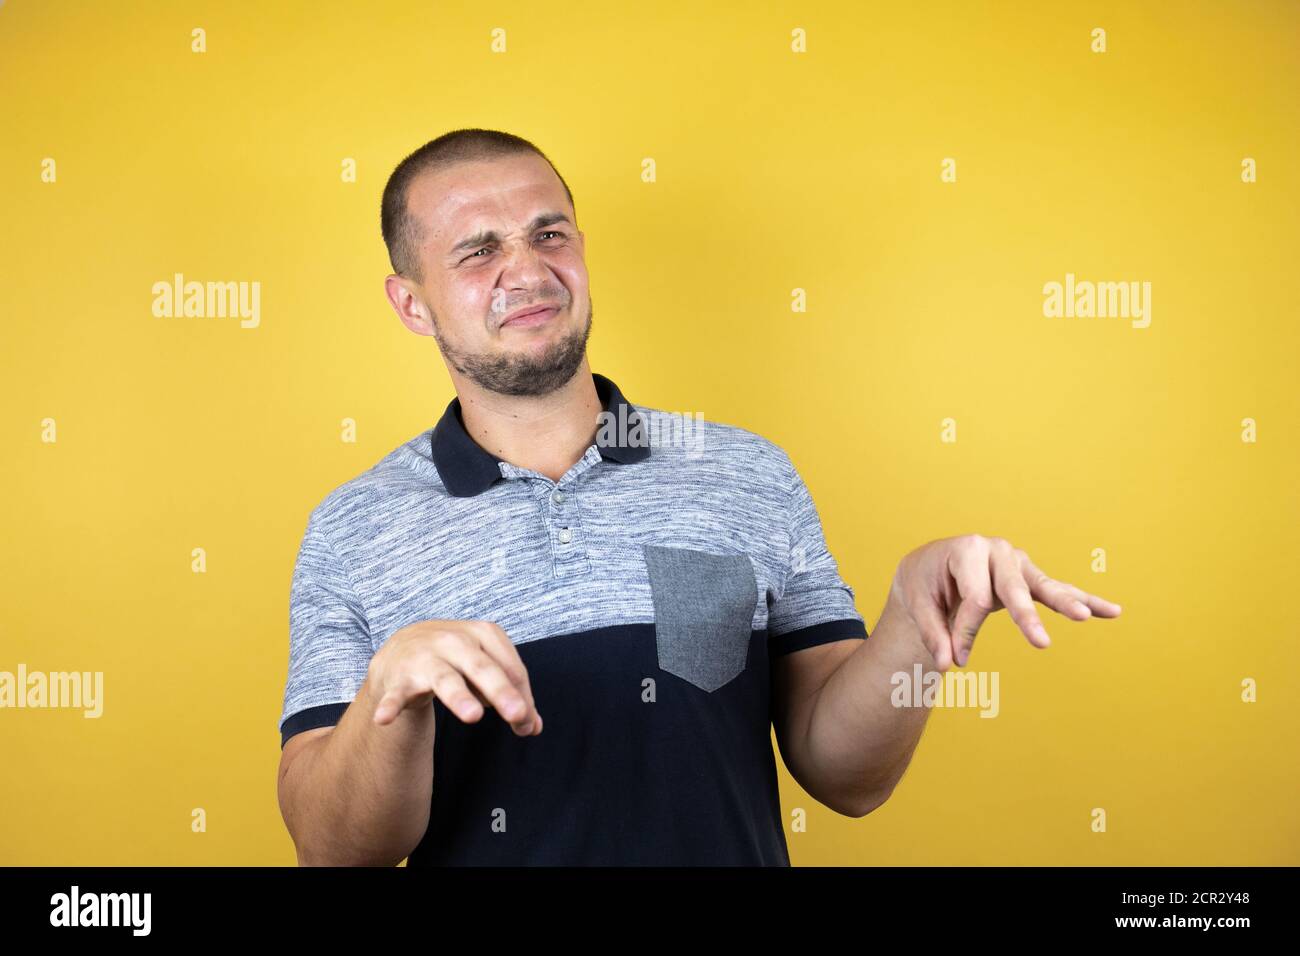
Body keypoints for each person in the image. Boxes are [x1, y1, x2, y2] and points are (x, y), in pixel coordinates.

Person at [275, 128, 1123, 866]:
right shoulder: (355, 527)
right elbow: (332, 849)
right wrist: (394, 697)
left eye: (549, 233)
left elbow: (847, 779)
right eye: (478, 250)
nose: (528, 272)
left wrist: (909, 621)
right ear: (412, 304)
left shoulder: (743, 472)